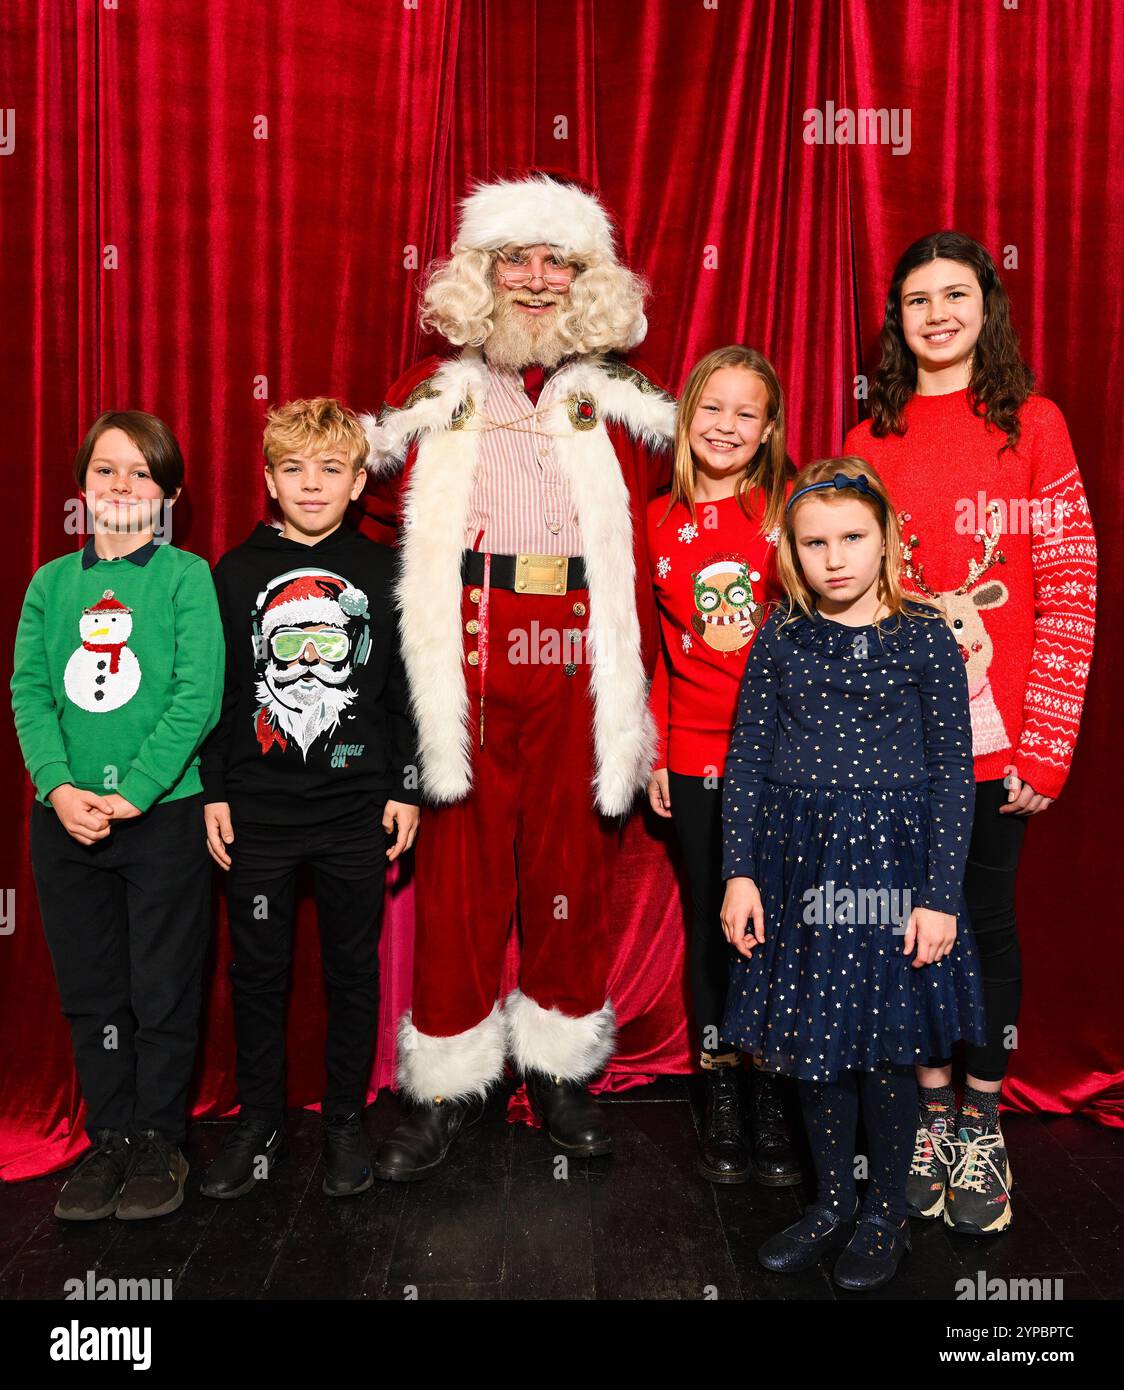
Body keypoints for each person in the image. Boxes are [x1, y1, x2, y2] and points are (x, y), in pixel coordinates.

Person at [359, 170, 676, 1178]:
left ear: (584, 279)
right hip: (468, 650)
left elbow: (659, 561)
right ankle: (449, 1083)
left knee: (569, 871)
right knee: (456, 875)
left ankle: (557, 1070)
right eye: (516, 259)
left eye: (558, 261)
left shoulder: (619, 402)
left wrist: (648, 706)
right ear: (479, 273)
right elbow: (369, 540)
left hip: (578, 654)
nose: (536, 280)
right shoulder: (432, 392)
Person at [845, 231, 1097, 1236]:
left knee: (981, 925)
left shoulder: (1032, 425)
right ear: (896, 321)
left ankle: (979, 1120)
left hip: (999, 740)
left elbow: (1070, 584)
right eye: (916, 300)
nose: (936, 314)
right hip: (895, 745)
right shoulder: (869, 437)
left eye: (954, 295)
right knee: (906, 927)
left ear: (985, 307)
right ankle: (926, 1112)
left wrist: (1045, 742)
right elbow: (847, 598)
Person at [719, 457, 986, 1291]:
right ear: (791, 554)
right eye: (813, 544)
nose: (833, 557)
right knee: (815, 1044)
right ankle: (833, 1203)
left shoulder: (925, 639)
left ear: (887, 540)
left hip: (897, 866)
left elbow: (953, 769)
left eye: (852, 538)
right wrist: (739, 875)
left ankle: (884, 1216)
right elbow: (748, 758)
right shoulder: (778, 638)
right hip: (797, 865)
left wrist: (940, 895)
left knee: (884, 1047)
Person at [198, 397, 420, 1201]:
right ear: (269, 479)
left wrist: (405, 785)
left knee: (351, 968)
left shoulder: (387, 568)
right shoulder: (235, 570)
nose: (312, 484)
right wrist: (214, 790)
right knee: (258, 971)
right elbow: (221, 690)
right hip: (257, 810)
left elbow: (405, 686)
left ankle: (345, 1122)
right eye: (294, 469)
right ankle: (259, 1121)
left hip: (355, 811)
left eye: (331, 469)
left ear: (360, 480)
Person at [12, 411, 224, 1220]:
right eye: (107, 469)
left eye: (141, 472)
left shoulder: (185, 578)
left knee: (163, 987)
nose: (122, 485)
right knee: (93, 991)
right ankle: (109, 1140)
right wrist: (61, 789)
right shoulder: (49, 586)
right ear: (82, 486)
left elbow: (195, 697)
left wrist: (134, 790)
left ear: (167, 491)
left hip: (161, 816)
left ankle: (157, 1143)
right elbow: (31, 693)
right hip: (63, 822)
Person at [646, 344, 801, 1185]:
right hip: (700, 756)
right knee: (716, 923)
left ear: (770, 427)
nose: (728, 426)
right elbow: (653, 651)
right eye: (713, 408)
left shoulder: (788, 507)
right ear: (686, 417)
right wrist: (660, 749)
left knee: (781, 924)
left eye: (748, 413)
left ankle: (775, 1087)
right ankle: (725, 1093)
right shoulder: (653, 520)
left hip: (787, 757)